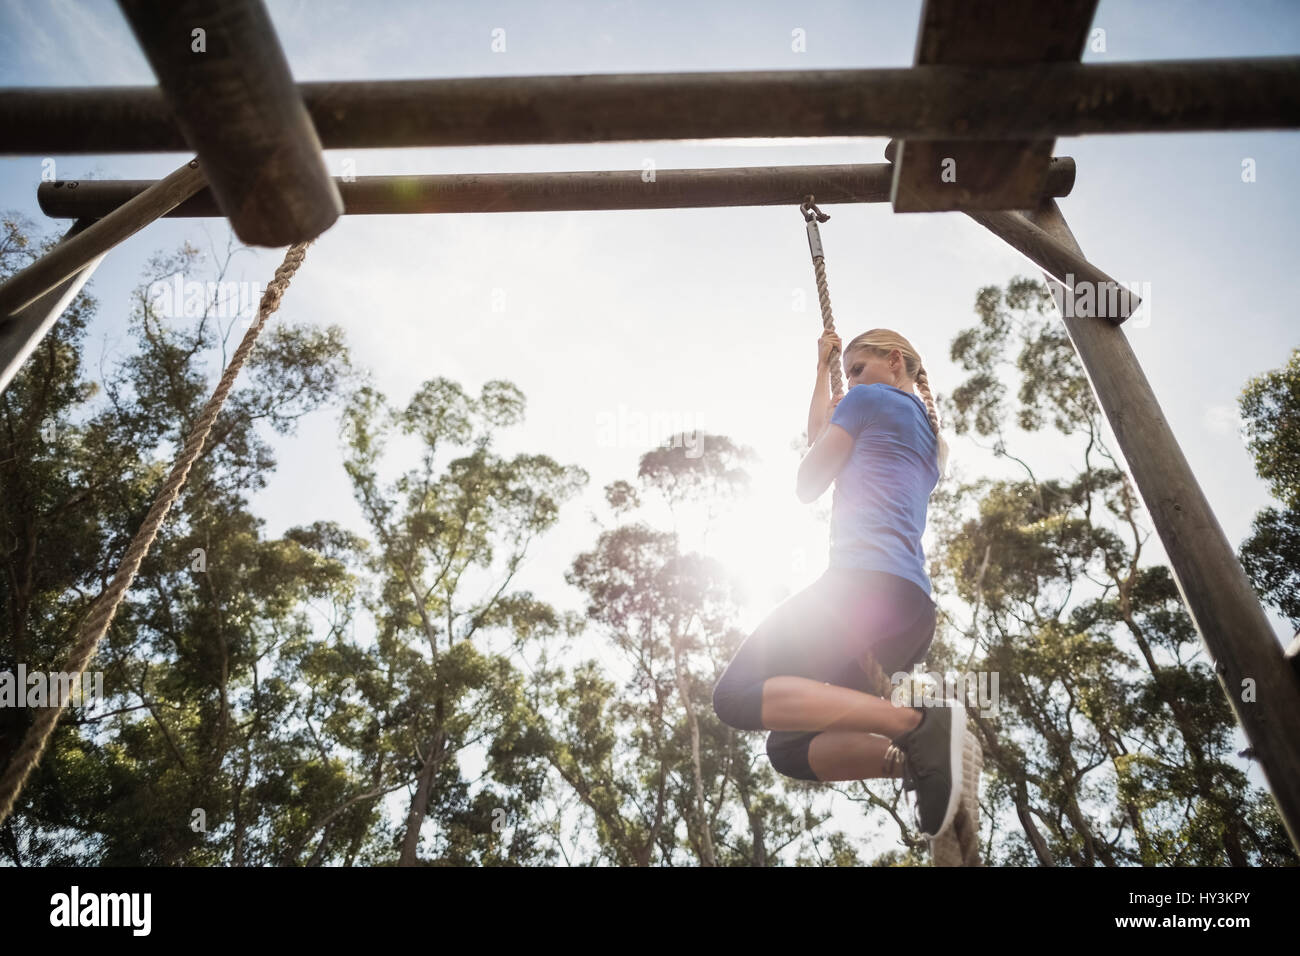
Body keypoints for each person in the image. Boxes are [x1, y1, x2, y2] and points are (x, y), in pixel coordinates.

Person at [711, 327, 964, 839]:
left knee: (736, 695)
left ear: (894, 361)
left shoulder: (868, 400)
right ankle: (916, 757)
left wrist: (824, 376)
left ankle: (917, 726)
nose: (849, 384)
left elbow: (809, 480)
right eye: (844, 377)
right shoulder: (935, 445)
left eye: (856, 370)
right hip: (909, 612)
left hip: (861, 591)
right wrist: (821, 372)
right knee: (789, 749)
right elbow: (823, 443)